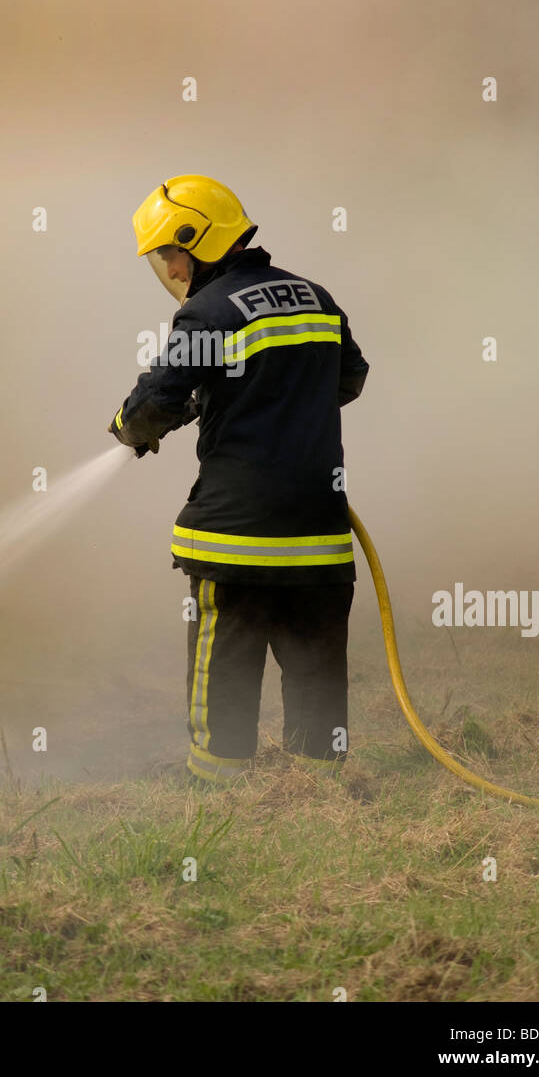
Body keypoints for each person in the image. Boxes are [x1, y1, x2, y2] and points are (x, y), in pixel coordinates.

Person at [108, 175, 369, 786]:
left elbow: (154, 404)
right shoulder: (316, 297)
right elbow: (348, 380)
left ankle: (217, 792)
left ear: (198, 239)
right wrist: (269, 398)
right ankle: (317, 790)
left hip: (236, 539)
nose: (170, 269)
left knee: (224, 668)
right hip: (317, 537)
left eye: (170, 253)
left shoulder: (209, 311)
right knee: (316, 668)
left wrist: (126, 428)